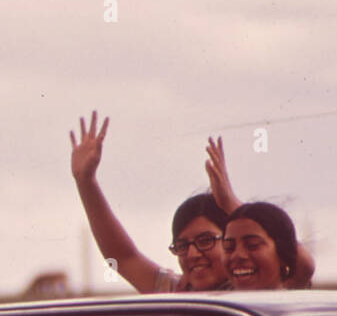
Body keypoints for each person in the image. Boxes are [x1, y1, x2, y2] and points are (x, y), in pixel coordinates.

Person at [68, 113, 314, 294]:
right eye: (182, 246)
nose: (193, 254)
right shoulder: (178, 293)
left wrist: (233, 208)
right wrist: (86, 183)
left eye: (206, 241)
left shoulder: (257, 287)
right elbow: (123, 257)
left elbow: (301, 264)